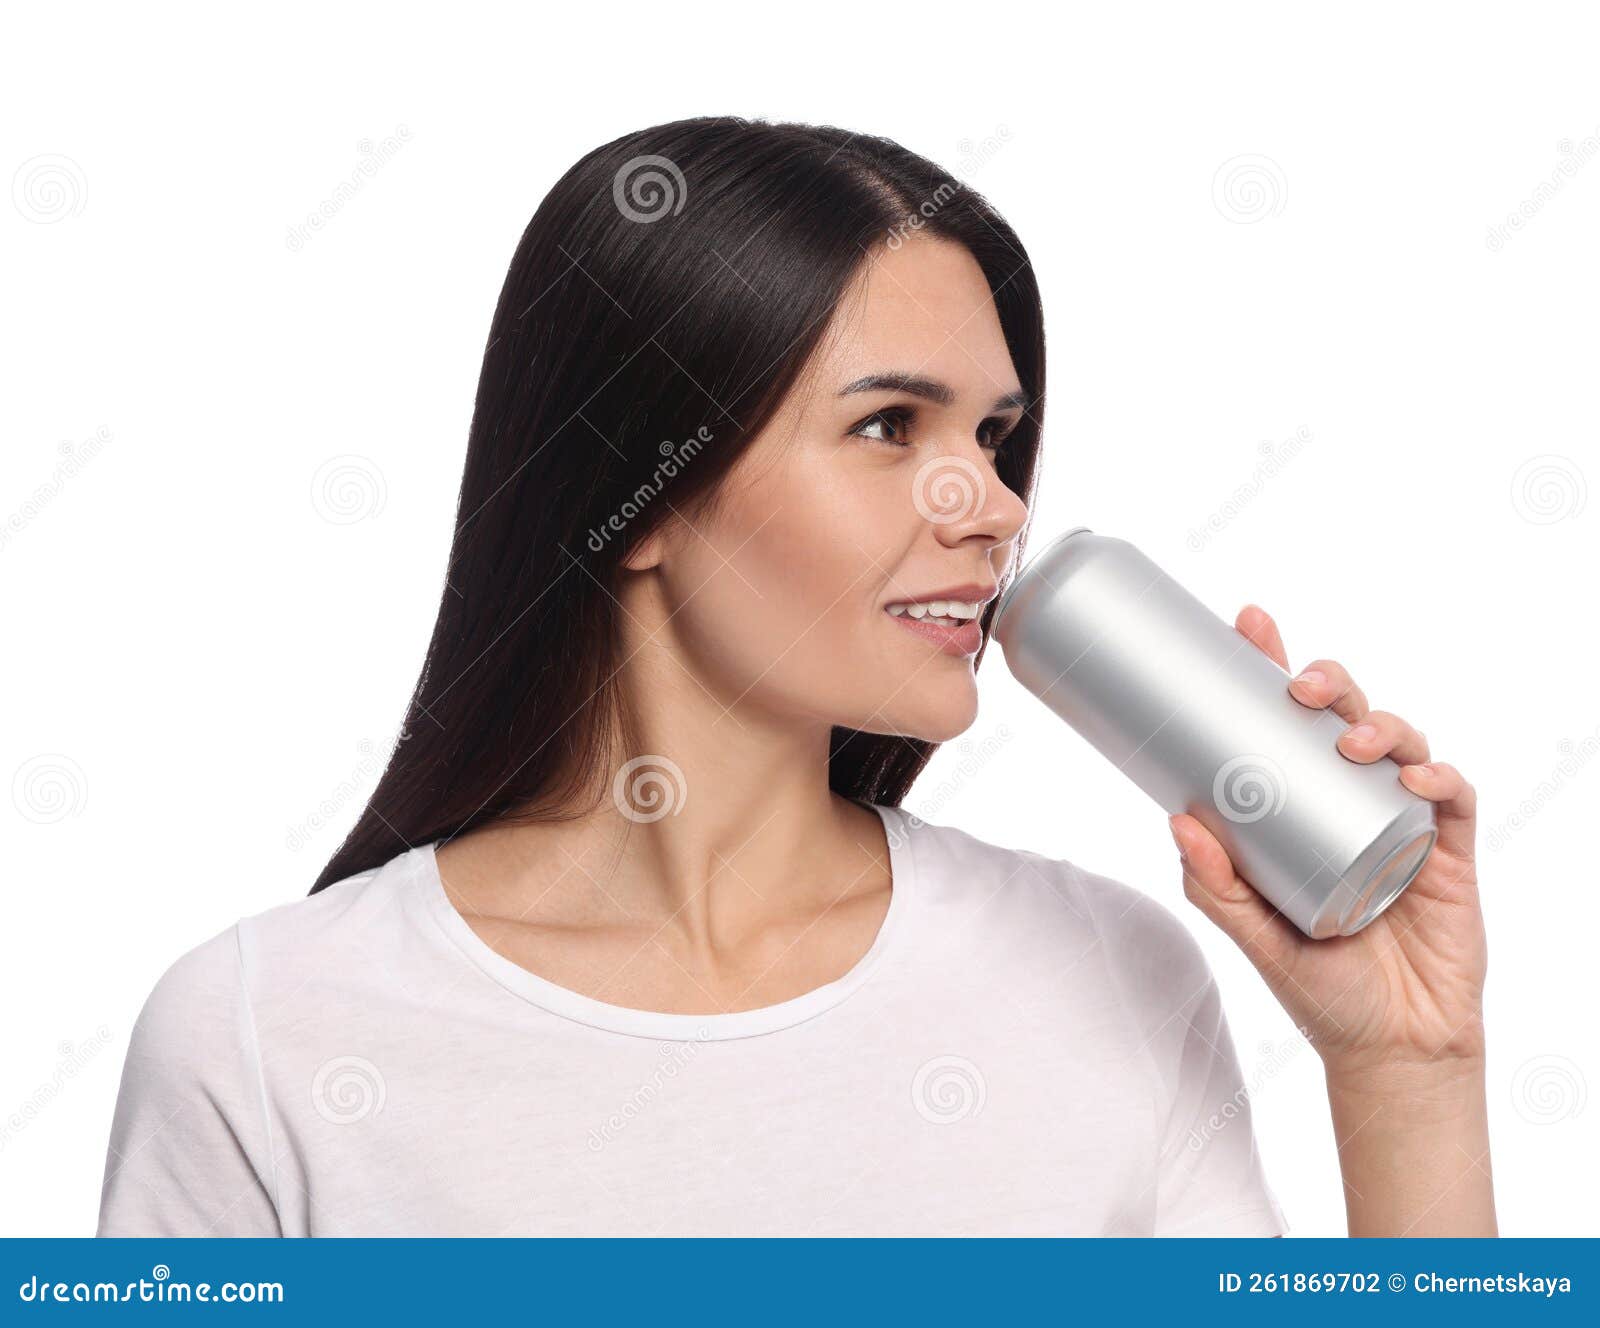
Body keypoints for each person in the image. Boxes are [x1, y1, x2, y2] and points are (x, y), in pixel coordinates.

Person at [97, 117, 1492, 1237]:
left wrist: (1408, 1074)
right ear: (637, 491)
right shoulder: (267, 1032)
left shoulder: (1113, 976)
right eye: (890, 425)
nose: (994, 504)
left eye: (999, 436)